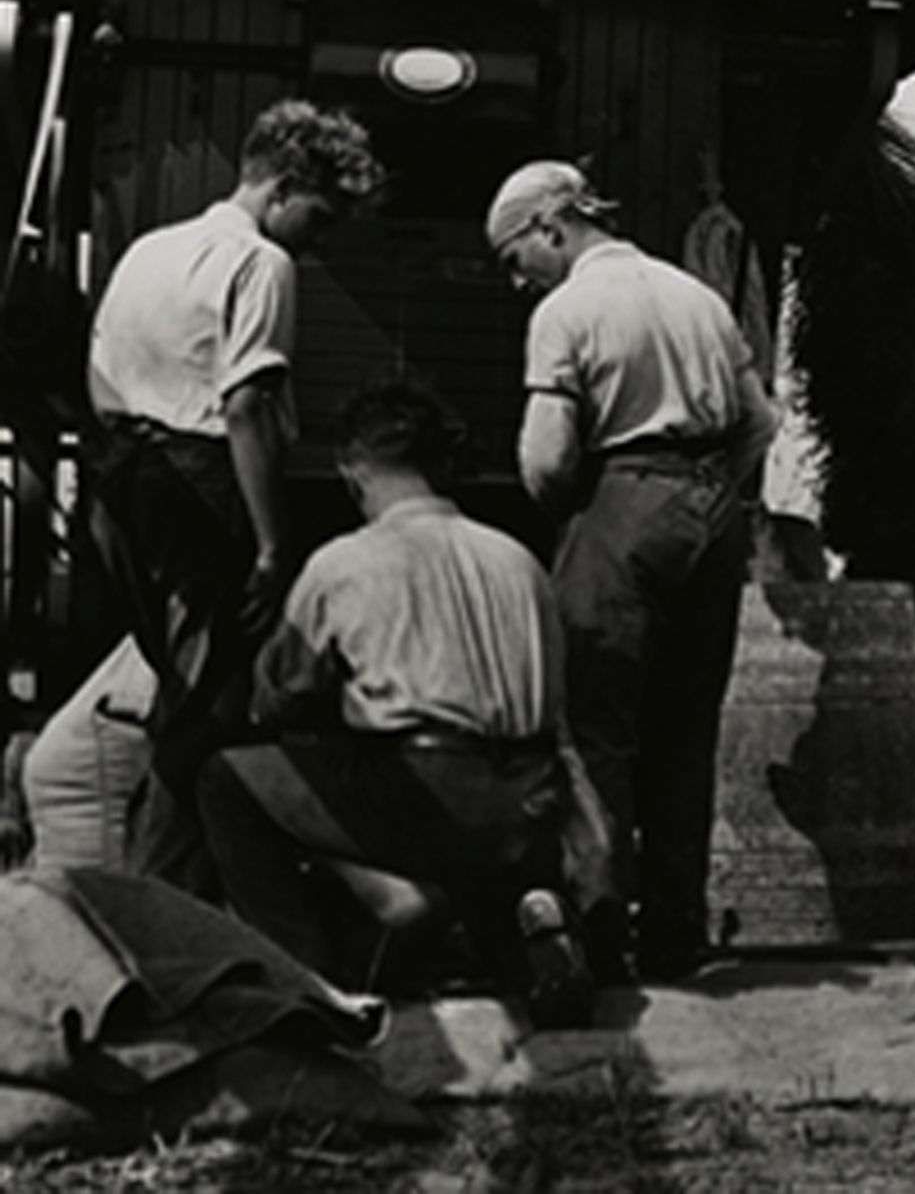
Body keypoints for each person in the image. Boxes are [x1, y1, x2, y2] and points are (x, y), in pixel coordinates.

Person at [194, 380, 589, 1023]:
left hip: (423, 794)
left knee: (226, 781)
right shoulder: (521, 562)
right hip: (530, 803)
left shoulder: (345, 563)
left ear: (352, 473)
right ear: (439, 466)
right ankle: (523, 944)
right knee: (475, 864)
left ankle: (308, 979)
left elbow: (280, 697)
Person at [79, 100, 381, 895]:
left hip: (120, 480)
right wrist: (274, 547)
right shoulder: (261, 264)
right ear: (283, 188)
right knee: (213, 706)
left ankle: (167, 893)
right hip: (199, 480)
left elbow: (99, 376)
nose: (323, 238)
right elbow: (246, 406)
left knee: (179, 693)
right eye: (322, 214)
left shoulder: (151, 248)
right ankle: (161, 907)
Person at [485, 160, 776, 982]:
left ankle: (603, 935)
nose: (517, 280)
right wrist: (717, 489)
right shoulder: (697, 298)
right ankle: (678, 936)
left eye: (516, 257)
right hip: (713, 513)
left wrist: (584, 510)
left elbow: (543, 462)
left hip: (623, 500)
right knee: (687, 730)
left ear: (551, 227)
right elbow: (760, 422)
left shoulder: (567, 309)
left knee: (594, 727)